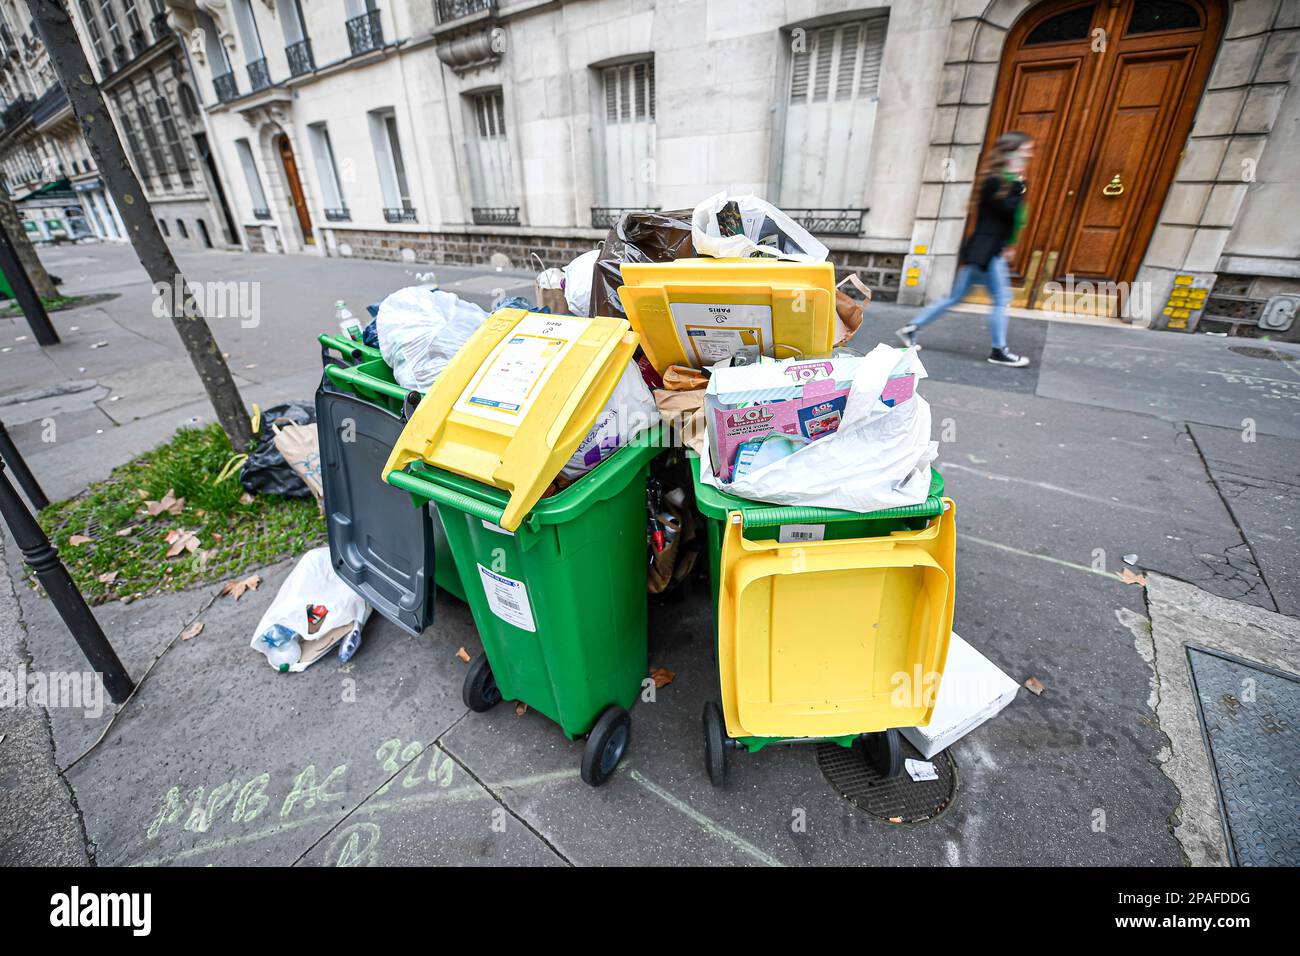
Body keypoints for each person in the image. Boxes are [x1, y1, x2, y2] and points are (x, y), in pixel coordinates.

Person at [896, 131, 1034, 367]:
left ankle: (911, 328)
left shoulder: (1002, 181)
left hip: (982, 251)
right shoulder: (999, 182)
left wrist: (1010, 243)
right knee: (1001, 299)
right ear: (1012, 151)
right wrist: (1019, 185)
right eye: (1025, 149)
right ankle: (999, 350)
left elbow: (1011, 218)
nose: (1029, 153)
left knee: (955, 297)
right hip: (987, 253)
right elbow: (1015, 214)